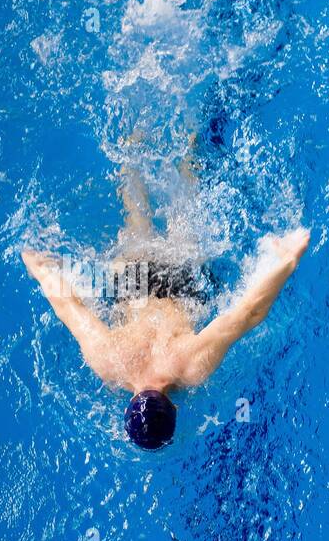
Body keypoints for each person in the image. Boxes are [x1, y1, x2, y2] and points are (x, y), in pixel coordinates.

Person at [22, 154, 309, 450]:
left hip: (183, 285)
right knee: (136, 216)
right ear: (126, 409)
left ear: (175, 409)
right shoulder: (108, 360)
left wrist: (286, 261)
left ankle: (188, 149)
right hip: (134, 284)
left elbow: (248, 313)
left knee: (185, 207)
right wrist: (41, 269)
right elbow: (70, 306)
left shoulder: (190, 367)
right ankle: (131, 148)